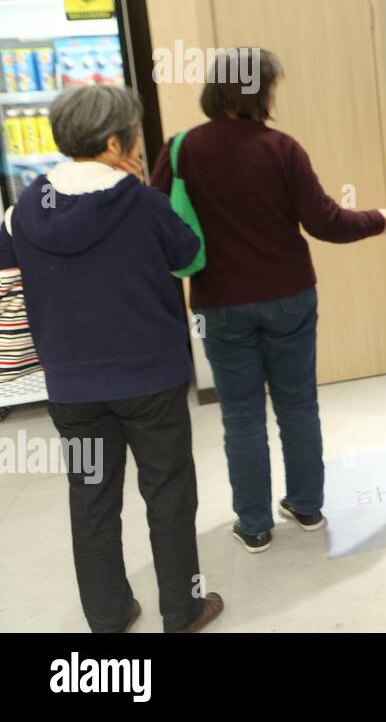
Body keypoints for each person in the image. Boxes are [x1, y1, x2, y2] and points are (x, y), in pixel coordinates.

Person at [151, 47, 386, 553]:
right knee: (298, 405)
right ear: (259, 90)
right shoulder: (281, 148)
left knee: (241, 414)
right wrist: (377, 219)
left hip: (217, 303)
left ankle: (253, 523)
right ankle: (307, 507)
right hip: (290, 298)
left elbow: (155, 220)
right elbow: (325, 223)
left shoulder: (181, 149)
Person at [0, 84, 223, 633]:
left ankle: (107, 615)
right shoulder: (140, 201)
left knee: (92, 498)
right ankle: (183, 609)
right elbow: (191, 255)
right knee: (168, 492)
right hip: (151, 380)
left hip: (72, 387)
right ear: (115, 140)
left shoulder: (26, 207)